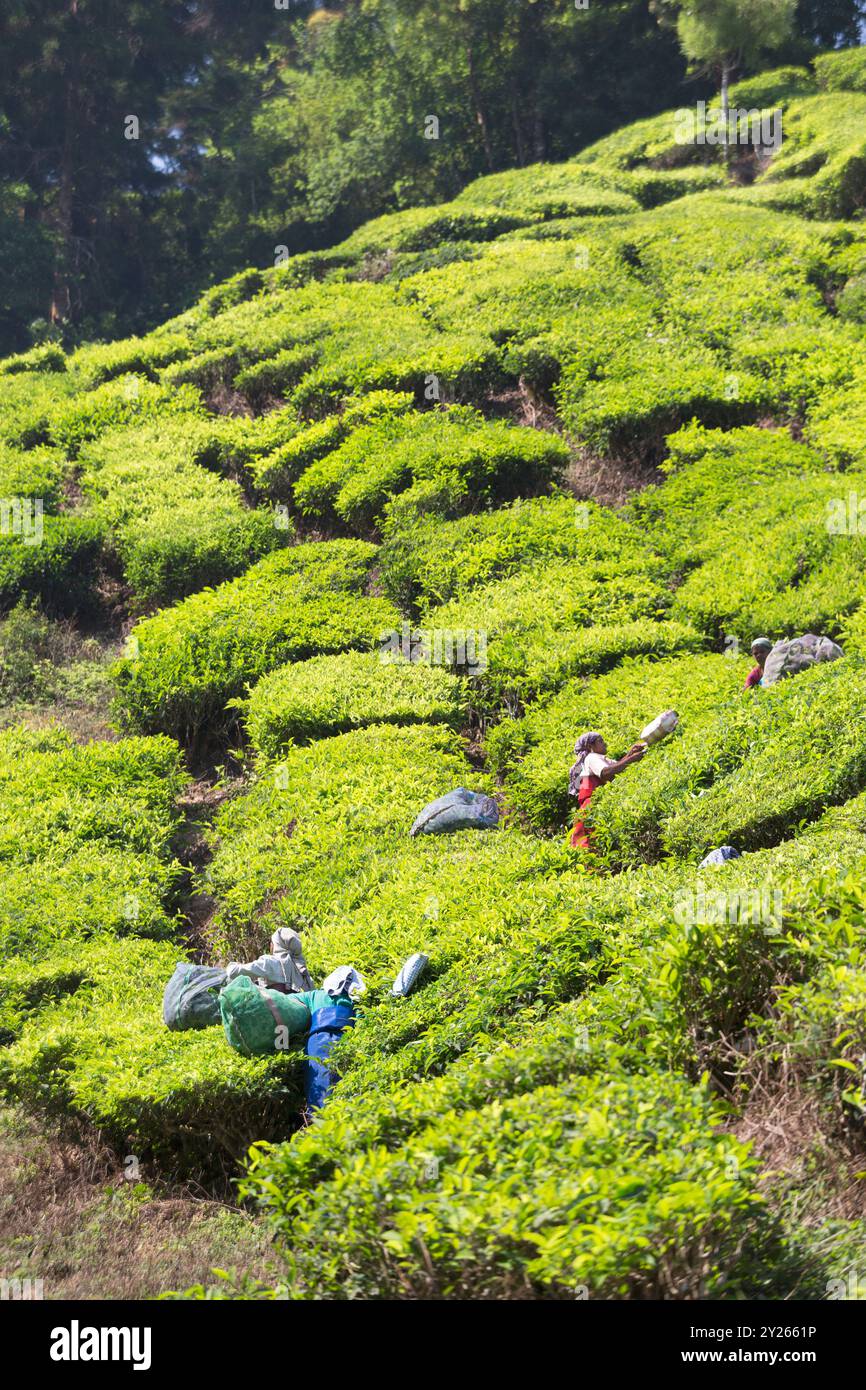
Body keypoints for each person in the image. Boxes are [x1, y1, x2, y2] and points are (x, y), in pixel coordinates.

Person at [567, 730, 646, 850]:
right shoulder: (592, 757)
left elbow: (616, 766)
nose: (605, 744)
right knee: (591, 846)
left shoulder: (598, 758)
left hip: (593, 807)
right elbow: (605, 772)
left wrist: (630, 754)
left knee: (593, 846)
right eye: (600, 741)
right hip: (591, 806)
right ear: (590, 746)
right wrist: (631, 759)